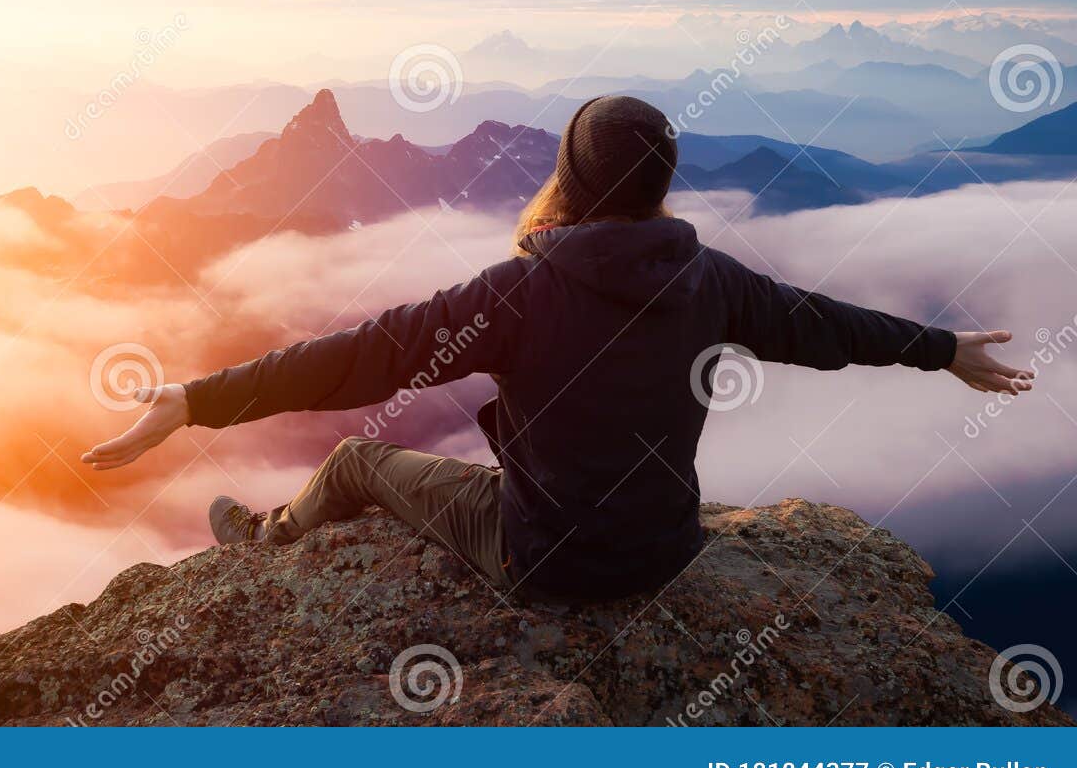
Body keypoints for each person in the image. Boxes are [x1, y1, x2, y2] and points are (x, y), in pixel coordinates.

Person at [81, 95, 1034, 601]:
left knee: (357, 458)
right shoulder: (711, 279)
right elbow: (824, 327)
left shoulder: (521, 292)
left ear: (569, 180)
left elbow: (364, 355)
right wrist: (942, 347)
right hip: (665, 553)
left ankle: (269, 543)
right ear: (663, 180)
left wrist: (196, 399)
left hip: (547, 563)